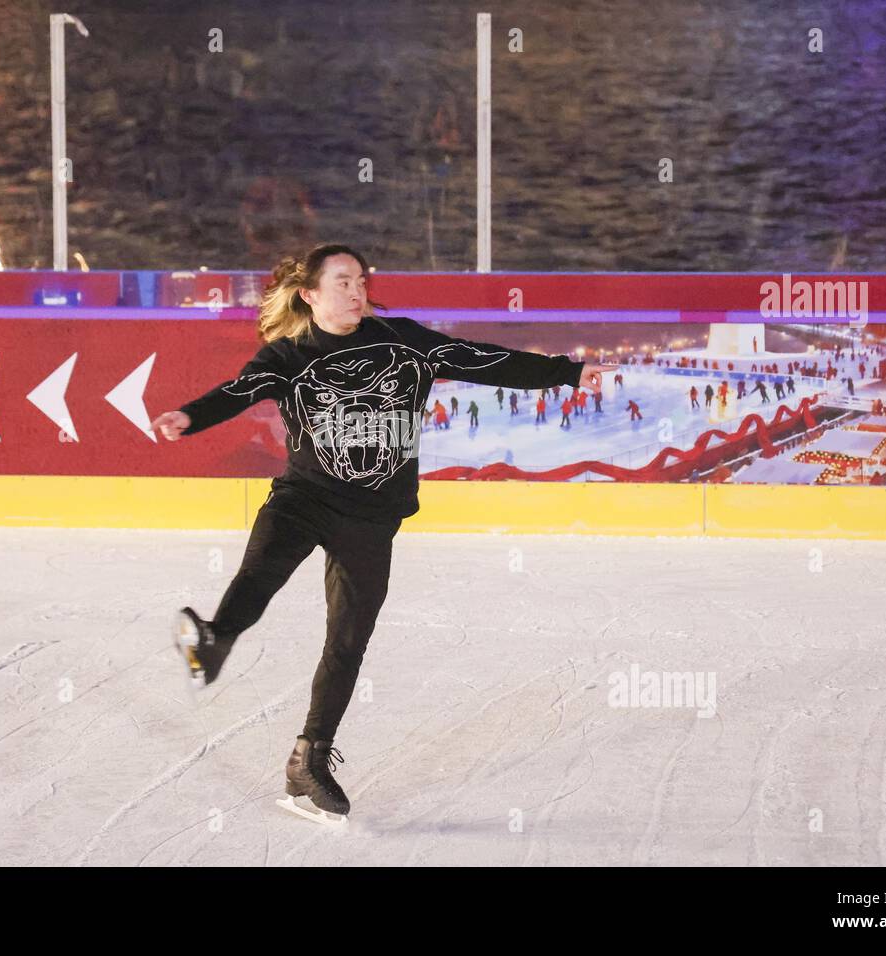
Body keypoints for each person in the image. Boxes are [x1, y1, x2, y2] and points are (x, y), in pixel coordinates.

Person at [150, 244, 609, 823]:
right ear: (309, 295)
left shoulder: (405, 341)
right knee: (259, 574)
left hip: (371, 517)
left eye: (360, 280)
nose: (355, 290)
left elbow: (482, 360)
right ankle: (215, 642)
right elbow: (238, 393)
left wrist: (567, 373)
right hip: (305, 499)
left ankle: (308, 760)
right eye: (341, 282)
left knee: (347, 641)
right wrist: (190, 416)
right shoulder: (288, 356)